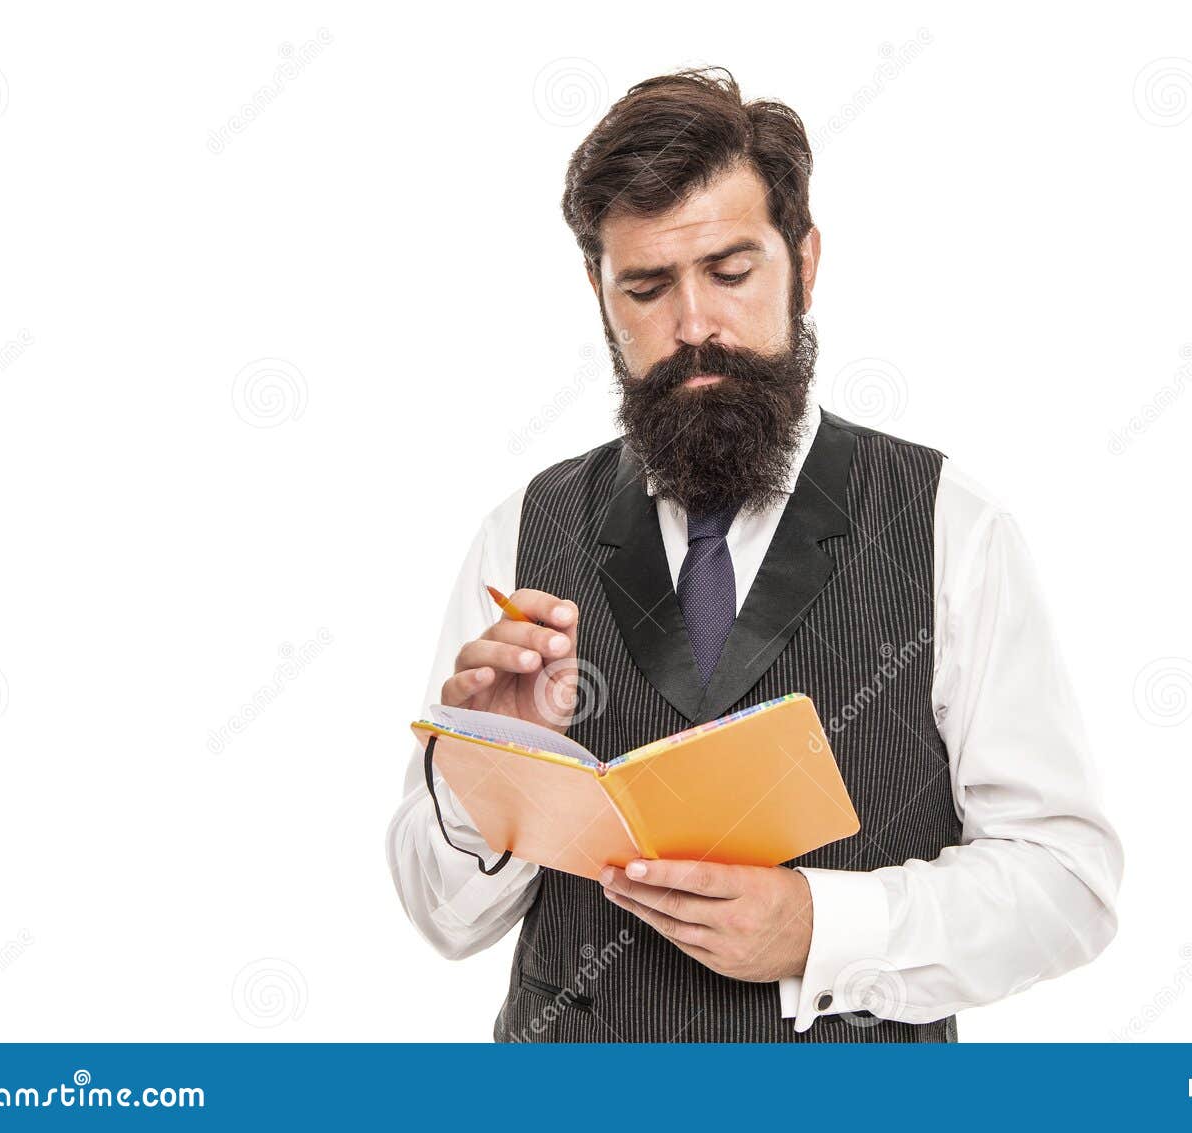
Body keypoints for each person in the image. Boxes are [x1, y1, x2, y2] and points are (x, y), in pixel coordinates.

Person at [385, 66, 1123, 1042]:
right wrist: (497, 773)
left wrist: (822, 924)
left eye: (731, 272)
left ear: (804, 262)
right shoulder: (523, 527)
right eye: (646, 287)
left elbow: (1066, 883)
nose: (694, 325)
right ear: (598, 292)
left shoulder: (953, 524)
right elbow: (442, 917)